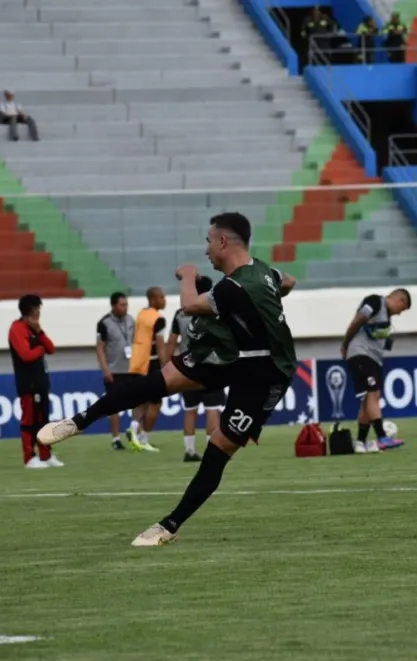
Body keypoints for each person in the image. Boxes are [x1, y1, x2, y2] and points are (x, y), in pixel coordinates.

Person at [37, 212, 298, 547]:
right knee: (155, 383)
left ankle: (169, 525)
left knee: (219, 447)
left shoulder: (234, 287)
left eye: (208, 241)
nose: (206, 250)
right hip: (231, 352)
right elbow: (288, 281)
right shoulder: (264, 272)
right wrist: (272, 295)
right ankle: (77, 421)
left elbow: (189, 304)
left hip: (264, 372)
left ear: (222, 242)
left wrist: (187, 274)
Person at [340, 289, 410, 454]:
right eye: (402, 308)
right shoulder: (375, 302)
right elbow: (358, 320)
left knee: (369, 398)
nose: (400, 313)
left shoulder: (386, 317)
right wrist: (345, 344)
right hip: (362, 354)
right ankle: (382, 437)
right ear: (399, 299)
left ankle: (360, 442)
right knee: (373, 394)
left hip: (373, 358)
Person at [166, 274, 226, 463]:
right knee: (212, 409)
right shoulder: (215, 311)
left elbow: (171, 341)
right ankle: (213, 450)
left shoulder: (180, 313)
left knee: (190, 410)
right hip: (210, 365)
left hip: (186, 367)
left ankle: (189, 451)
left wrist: (169, 364)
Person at [9, 294, 62, 469]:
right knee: (29, 421)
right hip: (27, 383)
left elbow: (52, 348)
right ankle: (29, 457)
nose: (39, 312)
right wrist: (40, 348)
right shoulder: (17, 329)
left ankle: (46, 455)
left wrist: (39, 332)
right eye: (37, 308)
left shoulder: (34, 329)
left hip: (41, 381)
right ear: (30, 310)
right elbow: (26, 355)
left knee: (44, 420)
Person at [124, 286, 167, 453]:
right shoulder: (158, 319)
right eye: (161, 298)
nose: (164, 300)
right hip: (153, 364)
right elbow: (160, 346)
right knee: (155, 403)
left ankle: (133, 428)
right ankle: (144, 438)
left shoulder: (141, 314)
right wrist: (165, 367)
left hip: (137, 363)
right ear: (154, 299)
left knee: (141, 399)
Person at [96, 291, 136, 451]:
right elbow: (100, 348)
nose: (125, 308)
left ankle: (134, 435)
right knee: (114, 406)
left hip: (132, 369)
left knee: (136, 402)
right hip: (114, 370)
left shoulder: (131, 320)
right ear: (113, 306)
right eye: (122, 305)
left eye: (126, 304)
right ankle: (116, 438)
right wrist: (105, 369)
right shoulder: (104, 323)